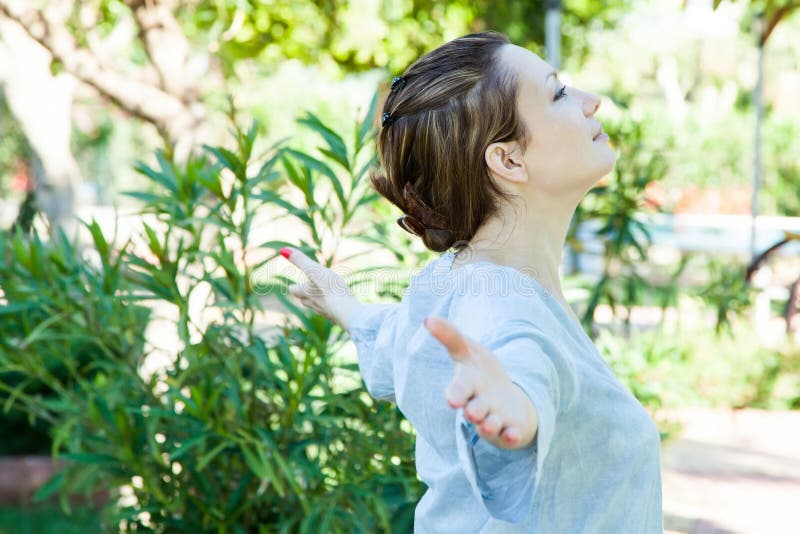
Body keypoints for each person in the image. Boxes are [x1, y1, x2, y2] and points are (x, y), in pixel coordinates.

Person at [279, 31, 663, 533]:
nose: (590, 103)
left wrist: (344, 306)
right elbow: (518, 364)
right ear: (509, 160)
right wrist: (512, 415)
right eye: (558, 93)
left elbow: (405, 343)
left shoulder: (450, 281)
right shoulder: (505, 308)